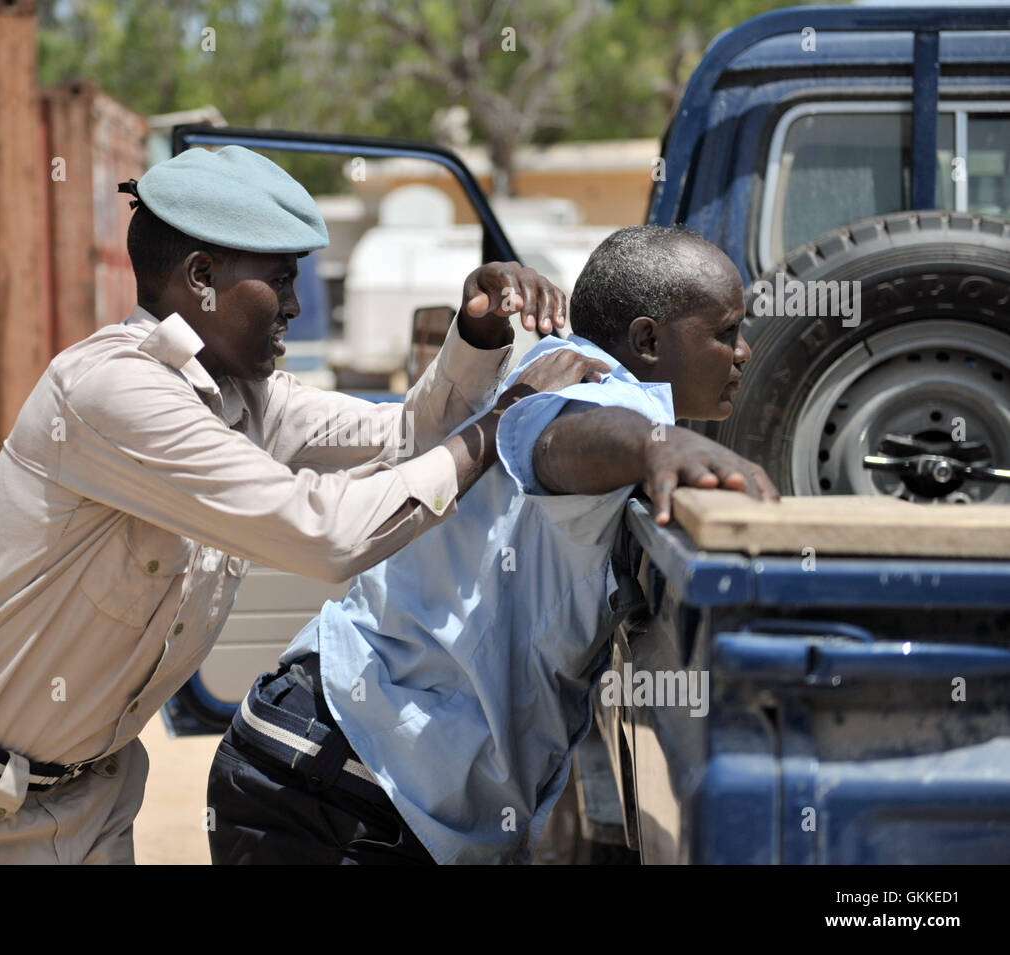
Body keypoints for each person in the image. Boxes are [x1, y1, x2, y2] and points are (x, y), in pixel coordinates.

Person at [0, 145, 603, 864]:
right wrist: (505, 421)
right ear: (201, 277)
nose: (297, 306)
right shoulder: (115, 390)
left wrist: (477, 331)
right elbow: (328, 534)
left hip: (85, 800)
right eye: (283, 278)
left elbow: (404, 434)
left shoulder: (244, 396)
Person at [207, 225, 780, 864]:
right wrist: (656, 445)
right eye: (726, 331)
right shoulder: (597, 392)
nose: (744, 351)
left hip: (334, 763)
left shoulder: (550, 365)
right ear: (647, 340)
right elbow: (557, 441)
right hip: (336, 791)